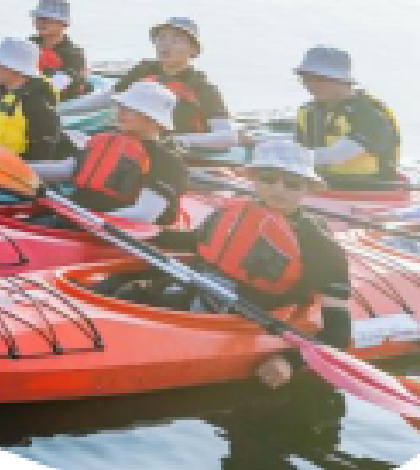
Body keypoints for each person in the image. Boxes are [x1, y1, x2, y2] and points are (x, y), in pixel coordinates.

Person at [148, 140, 353, 389]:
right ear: (254, 178)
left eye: (292, 184)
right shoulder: (232, 213)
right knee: (125, 289)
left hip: (237, 322)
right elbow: (195, 241)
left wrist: (290, 361)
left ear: (307, 188)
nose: (278, 190)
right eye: (269, 179)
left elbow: (338, 333)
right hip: (193, 293)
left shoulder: (321, 247)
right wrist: (148, 233)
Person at [61, 15, 233, 151]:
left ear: (193, 50)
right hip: (130, 142)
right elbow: (109, 98)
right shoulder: (143, 70)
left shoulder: (203, 88)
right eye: (161, 38)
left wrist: (179, 141)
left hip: (171, 152)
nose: (166, 45)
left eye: (176, 40)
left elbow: (227, 136)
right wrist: (60, 110)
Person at [28, 80, 189, 224]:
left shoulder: (168, 162)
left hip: (103, 229)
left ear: (153, 118)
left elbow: (144, 215)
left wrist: (83, 221)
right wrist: (17, 166)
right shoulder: (105, 140)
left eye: (131, 109)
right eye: (122, 106)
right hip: (77, 215)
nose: (121, 112)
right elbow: (68, 169)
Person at [287, 46, 403, 189]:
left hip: (370, 190)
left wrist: (287, 156)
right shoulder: (306, 112)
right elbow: (298, 149)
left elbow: (334, 155)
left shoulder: (370, 114)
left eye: (318, 79)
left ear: (341, 80)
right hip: (321, 185)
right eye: (305, 78)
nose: (310, 85)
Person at [27, 0, 92, 98]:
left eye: (47, 19)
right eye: (38, 18)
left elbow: (65, 85)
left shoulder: (74, 54)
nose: (40, 23)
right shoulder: (29, 44)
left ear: (64, 24)